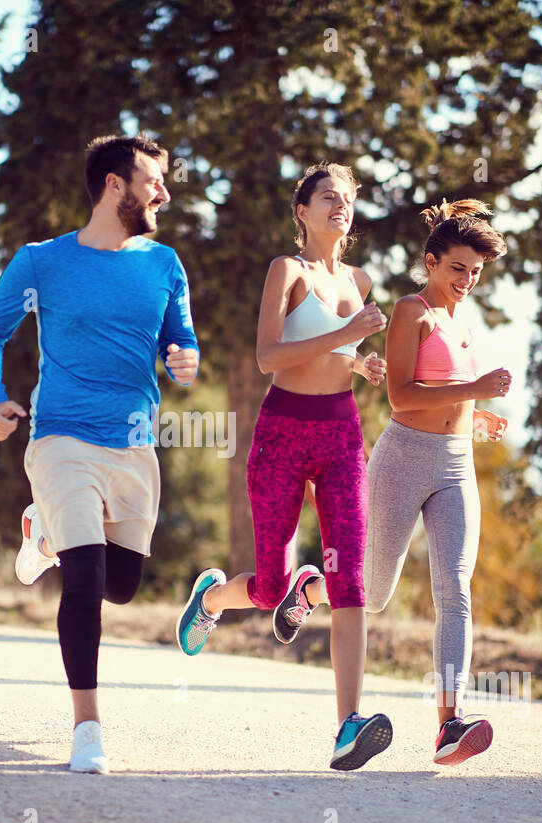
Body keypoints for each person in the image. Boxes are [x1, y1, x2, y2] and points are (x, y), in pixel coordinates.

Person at [0, 134, 201, 774]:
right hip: (61, 437)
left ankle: (41, 534)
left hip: (132, 445)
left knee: (123, 587)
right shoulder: (42, 262)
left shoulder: (164, 264)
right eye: (154, 179)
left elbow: (181, 339)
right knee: (88, 580)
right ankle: (87, 730)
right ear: (114, 185)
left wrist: (186, 359)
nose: (165, 191)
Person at [174, 162, 392, 771]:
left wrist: (360, 364)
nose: (340, 205)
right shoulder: (286, 270)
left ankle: (348, 724)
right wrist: (347, 335)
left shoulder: (361, 279)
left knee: (350, 577)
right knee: (268, 586)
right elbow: (271, 355)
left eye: (347, 198)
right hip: (282, 434)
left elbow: (334, 353)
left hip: (342, 432)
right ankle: (214, 598)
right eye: (327, 196)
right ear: (302, 211)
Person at [363, 198, 510, 766]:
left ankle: (450, 725)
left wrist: (478, 417)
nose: (467, 281)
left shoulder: (464, 324)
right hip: (402, 458)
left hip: (455, 465)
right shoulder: (412, 311)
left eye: (475, 272)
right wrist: (475, 390)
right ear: (430, 262)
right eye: (457, 269)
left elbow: (451, 397)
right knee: (373, 595)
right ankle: (310, 589)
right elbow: (401, 395)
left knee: (455, 590)